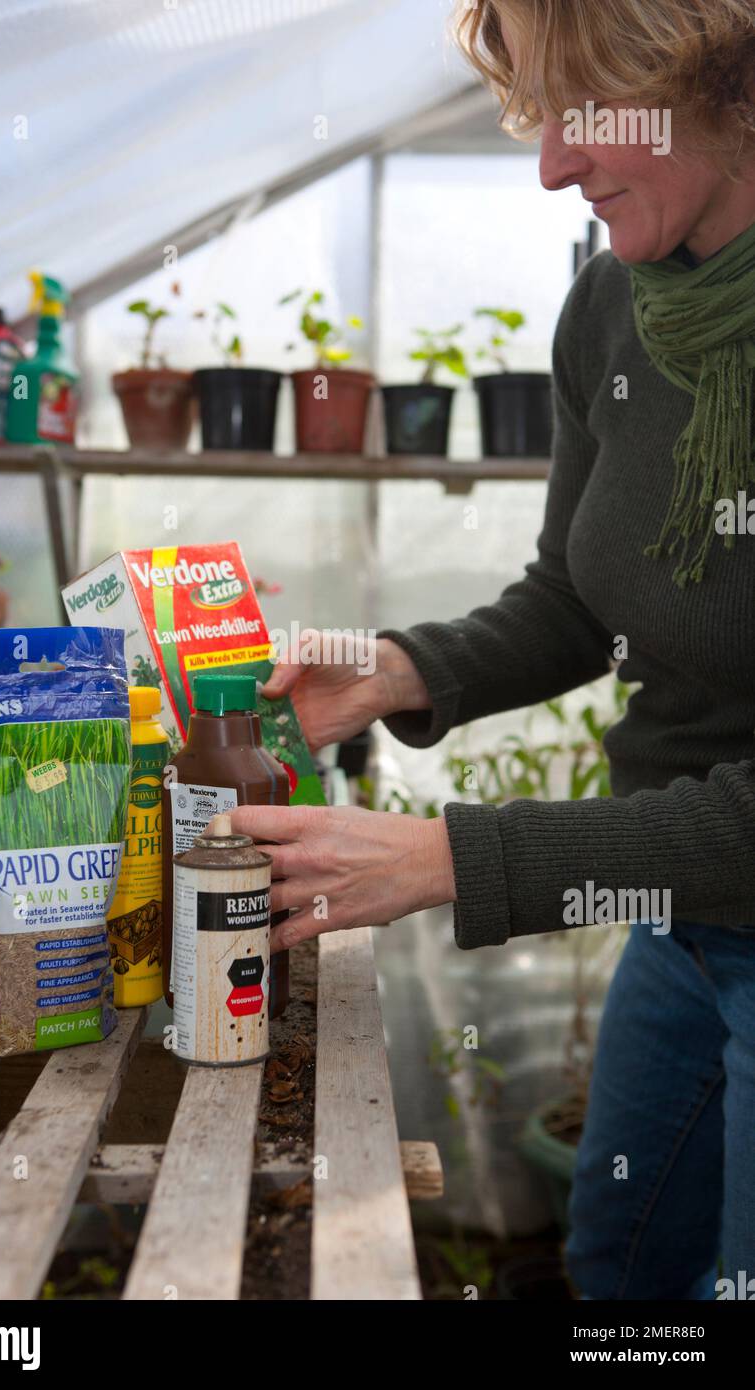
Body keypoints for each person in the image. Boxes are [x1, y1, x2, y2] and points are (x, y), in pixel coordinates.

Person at [229, 0, 755, 1300]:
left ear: (726, 88)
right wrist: (390, 670)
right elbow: (583, 599)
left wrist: (460, 856)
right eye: (535, 114)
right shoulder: (612, 309)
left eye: (581, 114)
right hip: (678, 914)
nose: (549, 165)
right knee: (619, 1267)